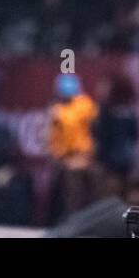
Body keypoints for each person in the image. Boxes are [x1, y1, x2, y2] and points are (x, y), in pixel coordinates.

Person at [47, 73, 98, 218]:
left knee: (90, 192)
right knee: (72, 194)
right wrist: (55, 153)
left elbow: (94, 129)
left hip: (85, 155)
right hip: (68, 157)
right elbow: (55, 136)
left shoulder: (84, 105)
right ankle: (74, 221)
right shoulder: (58, 110)